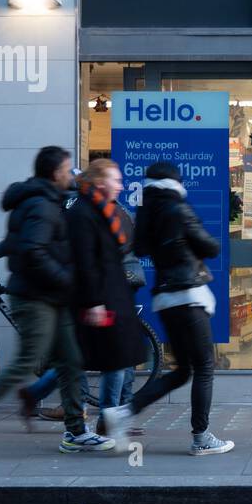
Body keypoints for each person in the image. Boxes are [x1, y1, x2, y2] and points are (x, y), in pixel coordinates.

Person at [0, 146, 116, 459]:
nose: (71, 172)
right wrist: (66, 278)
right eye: (67, 168)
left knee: (71, 359)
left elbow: (24, 241)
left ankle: (76, 432)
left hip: (51, 296)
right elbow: (34, 250)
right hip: (37, 297)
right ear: (54, 173)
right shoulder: (42, 204)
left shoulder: (44, 199)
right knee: (25, 362)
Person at [101, 161, 234, 456]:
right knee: (204, 368)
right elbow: (210, 247)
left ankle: (123, 412)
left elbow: (141, 249)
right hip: (188, 296)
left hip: (164, 300)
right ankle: (201, 437)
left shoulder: (147, 213)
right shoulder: (178, 209)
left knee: (181, 370)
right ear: (175, 183)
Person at [66, 158, 144, 422]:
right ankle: (104, 418)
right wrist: (96, 302)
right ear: (100, 182)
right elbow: (87, 260)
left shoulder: (106, 210)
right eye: (116, 180)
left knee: (114, 356)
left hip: (112, 295)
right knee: (112, 357)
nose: (121, 186)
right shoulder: (85, 212)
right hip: (101, 298)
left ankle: (108, 416)